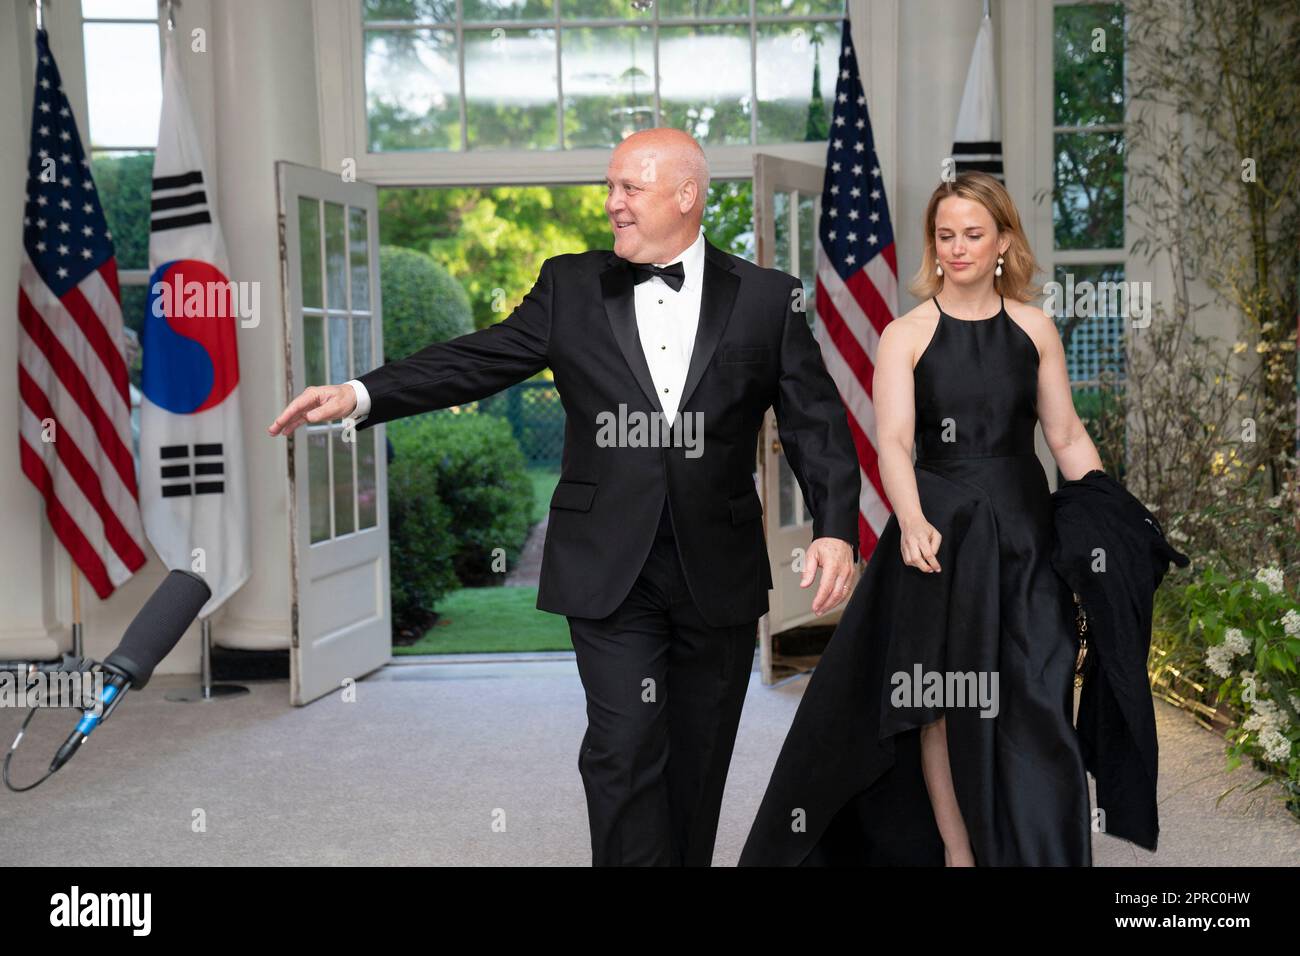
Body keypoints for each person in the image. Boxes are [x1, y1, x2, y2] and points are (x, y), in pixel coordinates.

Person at [267, 128, 862, 866]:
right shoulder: (571, 286)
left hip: (719, 567)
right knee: (622, 748)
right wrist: (360, 393)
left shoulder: (767, 299)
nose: (611, 203)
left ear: (687, 195)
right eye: (609, 187)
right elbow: (476, 360)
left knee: (699, 759)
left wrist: (836, 529)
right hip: (608, 565)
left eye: (629, 189)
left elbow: (815, 422)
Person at [740, 171, 1108, 867]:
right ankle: (958, 852)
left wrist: (1108, 520)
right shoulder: (904, 334)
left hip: (1028, 537)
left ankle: (1045, 851)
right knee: (937, 701)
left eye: (974, 234)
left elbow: (1065, 438)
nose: (959, 248)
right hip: (938, 537)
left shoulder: (1034, 327)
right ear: (932, 246)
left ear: (1003, 241)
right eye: (946, 236)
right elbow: (895, 443)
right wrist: (907, 519)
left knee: (1039, 693)